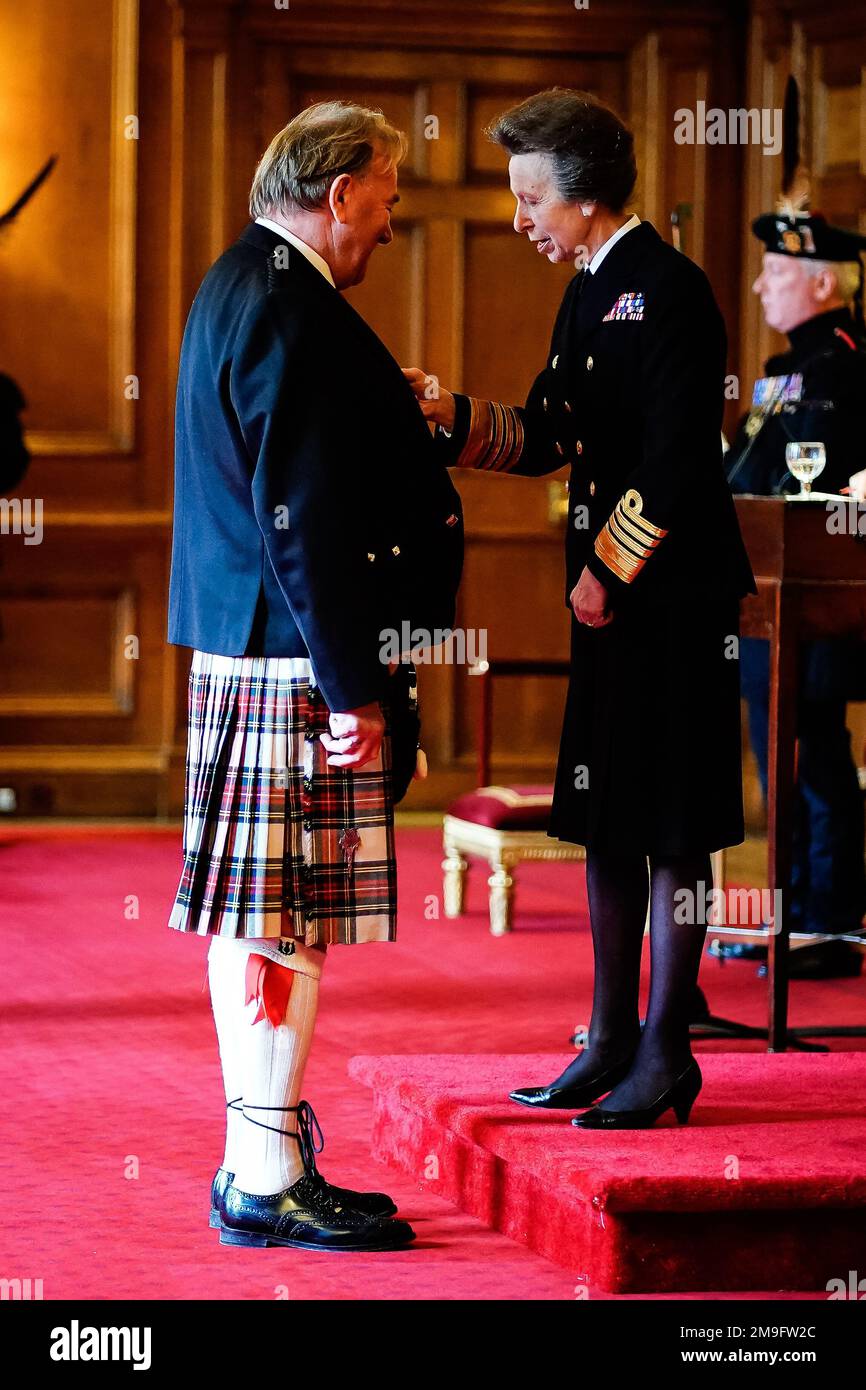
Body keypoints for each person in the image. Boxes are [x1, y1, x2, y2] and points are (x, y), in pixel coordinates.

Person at [405, 88, 756, 1130]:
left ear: (586, 193)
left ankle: (664, 1050)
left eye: (528, 198)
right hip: (609, 607)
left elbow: (679, 460)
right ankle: (606, 1040)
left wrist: (607, 567)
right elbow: (551, 431)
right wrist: (452, 420)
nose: (518, 220)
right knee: (609, 820)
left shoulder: (670, 287)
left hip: (672, 598)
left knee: (672, 824)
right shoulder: (586, 292)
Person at [166, 101, 463, 1249]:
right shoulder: (290, 306)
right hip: (291, 657)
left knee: (268, 919)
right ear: (338, 193)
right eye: (385, 199)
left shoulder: (240, 282)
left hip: (260, 648)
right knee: (279, 923)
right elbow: (301, 522)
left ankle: (264, 1155)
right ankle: (262, 1171)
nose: (388, 225)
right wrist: (354, 689)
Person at [722, 210, 866, 979]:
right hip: (763, 596)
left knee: (817, 757)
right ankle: (791, 912)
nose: (759, 285)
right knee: (776, 758)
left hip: (821, 600)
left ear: (820, 282)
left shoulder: (850, 363)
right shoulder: (782, 369)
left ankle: (833, 923)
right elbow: (749, 477)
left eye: (774, 273)